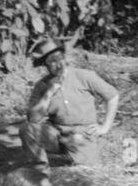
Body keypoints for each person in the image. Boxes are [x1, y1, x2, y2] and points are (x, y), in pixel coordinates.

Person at [21, 37, 120, 169]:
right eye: (52, 61)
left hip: (82, 133)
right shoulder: (42, 85)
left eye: (60, 58)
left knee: (83, 170)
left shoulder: (84, 76)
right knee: (27, 129)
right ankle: (39, 170)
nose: (59, 64)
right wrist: (48, 94)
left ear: (65, 57)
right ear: (45, 65)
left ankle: (83, 153)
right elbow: (32, 119)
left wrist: (105, 127)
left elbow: (112, 96)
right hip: (56, 133)